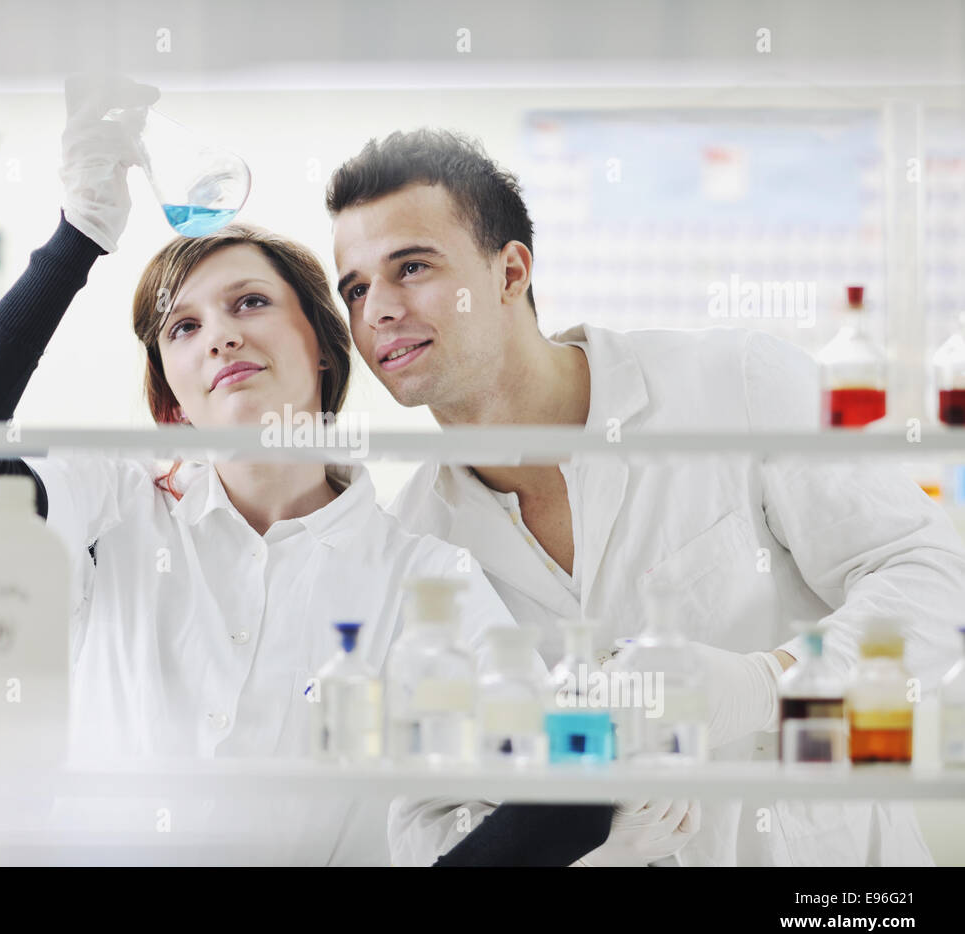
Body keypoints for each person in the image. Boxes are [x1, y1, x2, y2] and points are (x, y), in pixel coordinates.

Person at [0, 77, 617, 865]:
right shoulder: (114, 507)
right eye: (183, 326)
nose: (218, 335)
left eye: (250, 302)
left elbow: (576, 791)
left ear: (324, 345)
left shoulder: (424, 578)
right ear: (172, 396)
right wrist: (77, 237)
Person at [325, 128, 965, 866]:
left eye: (412, 266)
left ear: (510, 273)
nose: (378, 310)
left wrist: (768, 683)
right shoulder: (410, 548)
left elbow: (936, 579)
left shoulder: (737, 385)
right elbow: (425, 823)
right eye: (356, 288)